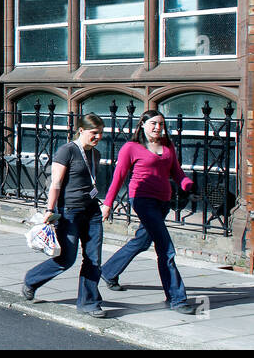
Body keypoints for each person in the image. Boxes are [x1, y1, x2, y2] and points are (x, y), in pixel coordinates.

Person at [100, 109, 197, 313]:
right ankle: (177, 299)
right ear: (142, 125)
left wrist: (188, 184)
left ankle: (108, 271)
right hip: (143, 200)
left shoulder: (168, 146)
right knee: (166, 249)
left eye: (161, 124)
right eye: (153, 123)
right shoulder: (131, 147)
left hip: (164, 201)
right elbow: (118, 177)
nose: (158, 127)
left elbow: (176, 172)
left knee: (143, 241)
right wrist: (107, 204)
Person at [22, 113, 107, 317]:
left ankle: (89, 302)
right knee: (67, 258)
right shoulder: (67, 150)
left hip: (92, 211)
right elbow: (56, 183)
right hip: (69, 211)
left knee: (93, 258)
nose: (98, 137)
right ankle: (32, 279)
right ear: (81, 130)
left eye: (101, 133)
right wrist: (50, 209)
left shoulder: (95, 154)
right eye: (94, 133)